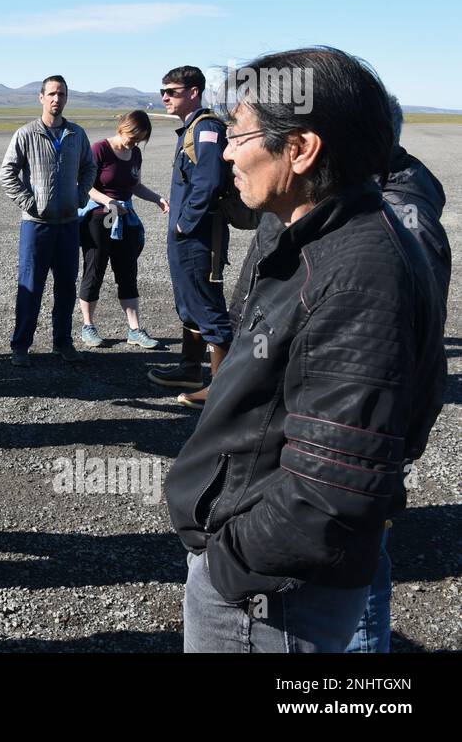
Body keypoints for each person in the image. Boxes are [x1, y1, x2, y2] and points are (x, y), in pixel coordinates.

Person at [166, 47, 446, 653]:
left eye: (238, 135)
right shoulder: (315, 236)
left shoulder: (356, 271)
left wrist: (232, 566)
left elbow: (335, 485)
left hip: (266, 597)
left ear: (301, 149)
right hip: (260, 578)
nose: (229, 153)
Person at [346, 94, 452, 653]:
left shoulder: (400, 213)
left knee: (358, 565)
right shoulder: (358, 193)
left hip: (361, 432)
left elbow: (403, 343)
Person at [147, 66, 233, 407]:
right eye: (162, 92)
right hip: (185, 234)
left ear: (193, 92)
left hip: (198, 235)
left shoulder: (207, 127)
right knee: (189, 303)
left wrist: (186, 222)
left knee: (207, 304)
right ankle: (190, 371)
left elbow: (209, 181)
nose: (165, 97)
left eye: (172, 91)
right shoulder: (190, 129)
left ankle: (221, 390)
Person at [0, 75, 96, 366]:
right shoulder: (26, 133)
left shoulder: (77, 134)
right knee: (30, 287)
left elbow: (89, 168)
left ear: (66, 98)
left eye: (62, 94)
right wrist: (30, 203)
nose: (57, 99)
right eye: (52, 93)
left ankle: (62, 343)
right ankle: (20, 346)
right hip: (36, 226)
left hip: (68, 224)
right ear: (41, 97)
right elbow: (7, 174)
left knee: (66, 286)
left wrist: (79, 198)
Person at [77, 110, 169, 349]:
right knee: (95, 268)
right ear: (123, 127)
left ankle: (135, 330)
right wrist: (107, 201)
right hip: (99, 218)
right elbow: (85, 184)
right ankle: (88, 326)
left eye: (139, 138)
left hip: (125, 218)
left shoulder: (135, 153)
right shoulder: (100, 149)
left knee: (128, 272)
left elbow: (135, 186)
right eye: (132, 135)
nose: (134, 142)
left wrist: (157, 198)